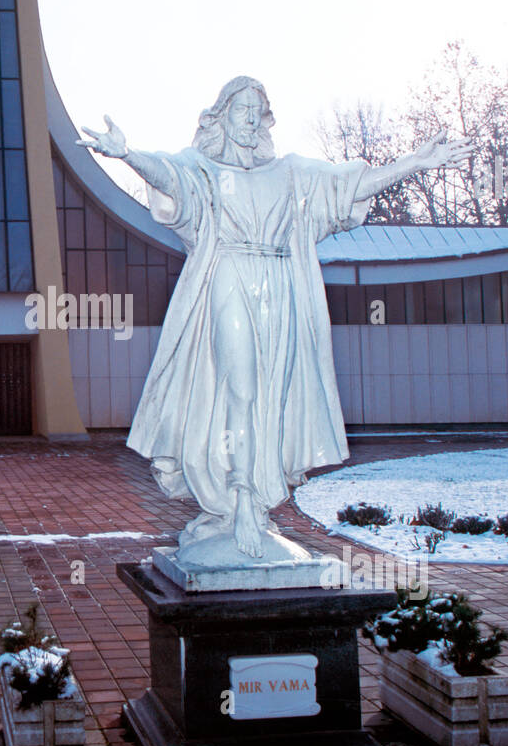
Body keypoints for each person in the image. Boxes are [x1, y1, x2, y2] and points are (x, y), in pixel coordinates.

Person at [77, 76, 473, 560]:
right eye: (239, 107)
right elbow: (169, 177)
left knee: (271, 395)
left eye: (256, 108)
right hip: (228, 274)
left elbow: (350, 186)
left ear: (264, 118)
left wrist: (414, 163)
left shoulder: (291, 173)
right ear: (220, 116)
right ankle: (242, 500)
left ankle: (248, 506)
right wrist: (126, 154)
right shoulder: (203, 169)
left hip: (281, 289)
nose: (247, 116)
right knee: (240, 386)